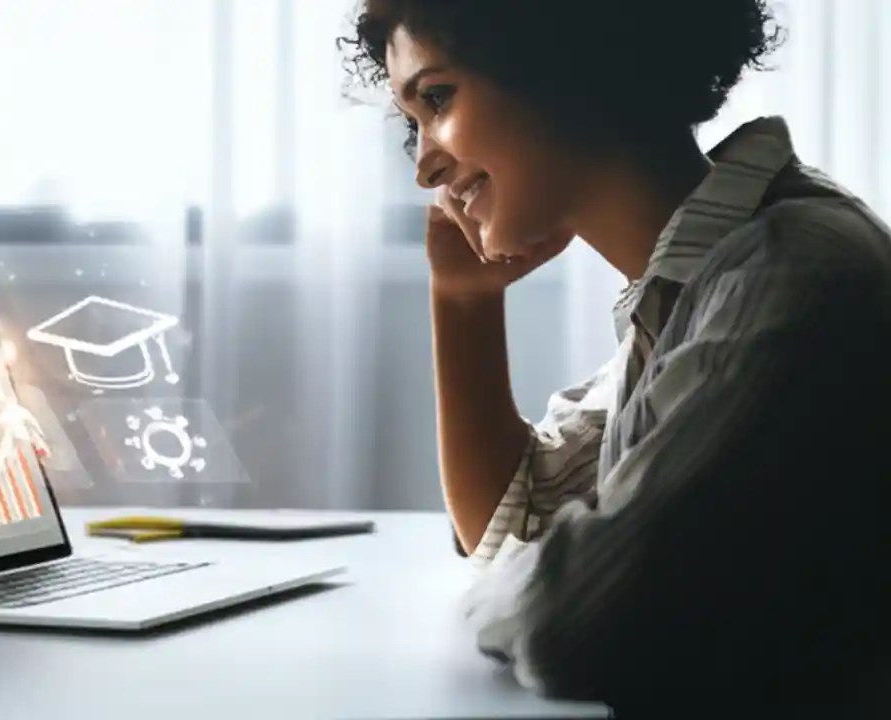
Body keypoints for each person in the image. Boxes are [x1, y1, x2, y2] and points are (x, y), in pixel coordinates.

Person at [339, 0, 891, 714]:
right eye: (412, 125)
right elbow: (518, 528)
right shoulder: (701, 279)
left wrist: (540, 574)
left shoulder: (788, 275)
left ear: (561, 61)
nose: (424, 166)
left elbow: (569, 620)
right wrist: (464, 300)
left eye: (438, 99)